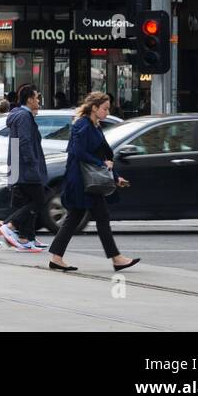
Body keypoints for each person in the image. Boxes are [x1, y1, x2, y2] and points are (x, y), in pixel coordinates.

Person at [47, 92, 139, 273]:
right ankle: (116, 258)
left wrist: (114, 176)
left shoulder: (93, 125)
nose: (107, 112)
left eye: (108, 108)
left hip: (87, 180)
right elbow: (79, 152)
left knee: (74, 218)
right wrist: (102, 164)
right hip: (82, 181)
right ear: (94, 108)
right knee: (99, 217)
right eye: (105, 108)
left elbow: (101, 155)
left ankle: (56, 257)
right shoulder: (83, 125)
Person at [0, 84, 49, 252]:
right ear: (29, 100)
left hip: (20, 166)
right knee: (39, 201)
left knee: (28, 201)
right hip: (26, 167)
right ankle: (10, 226)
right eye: (37, 98)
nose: (39, 101)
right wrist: (33, 163)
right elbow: (25, 142)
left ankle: (26, 238)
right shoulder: (24, 117)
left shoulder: (19, 115)